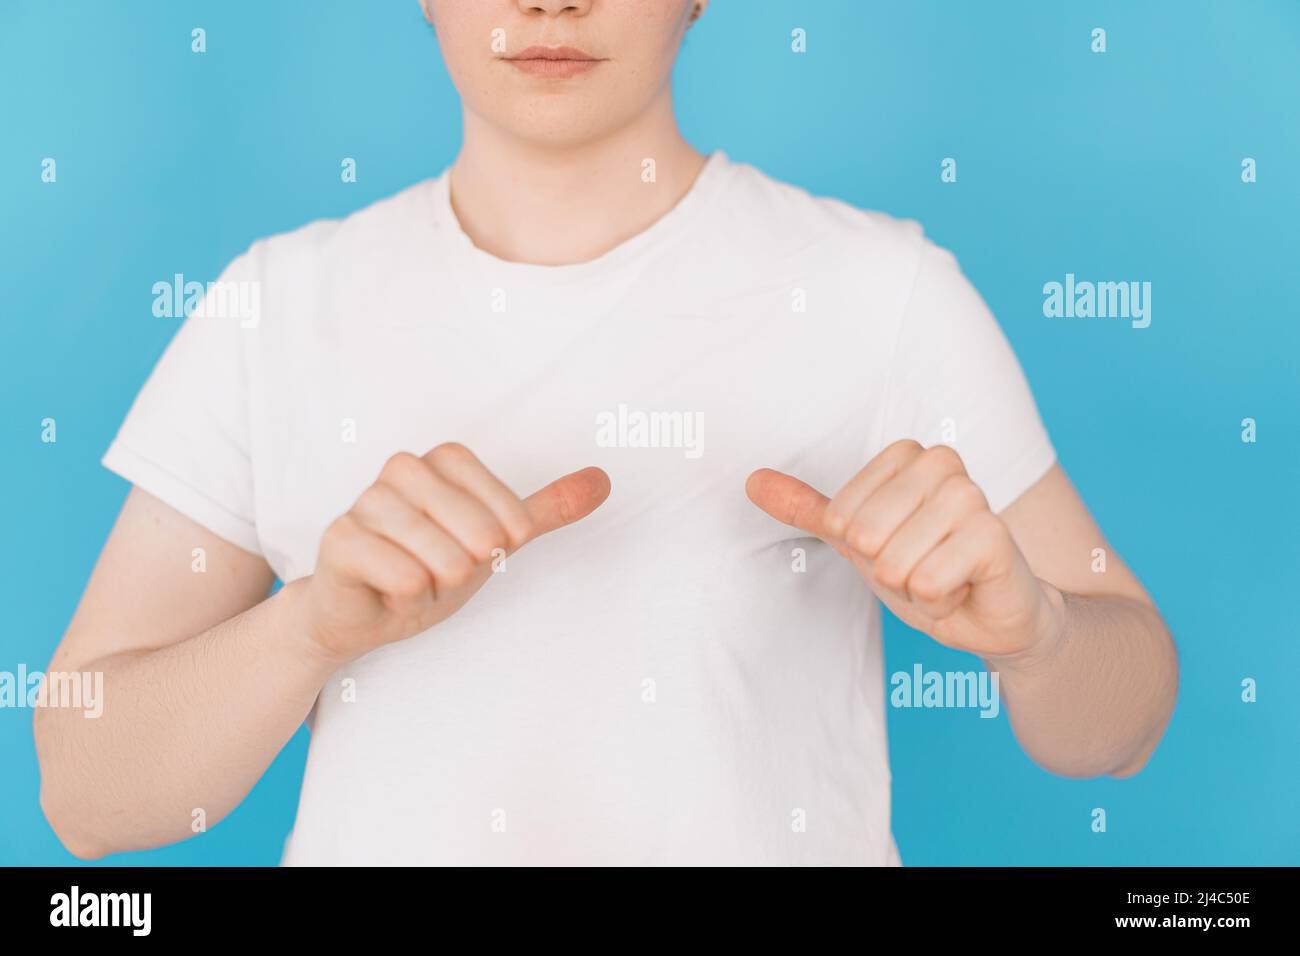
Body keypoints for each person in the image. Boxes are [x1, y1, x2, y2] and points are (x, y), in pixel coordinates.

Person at [35, 0, 1177, 866]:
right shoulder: (273, 306)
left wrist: (1037, 636)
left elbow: (1121, 723)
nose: (550, 0)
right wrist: (306, 630)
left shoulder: (883, 293)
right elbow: (84, 794)